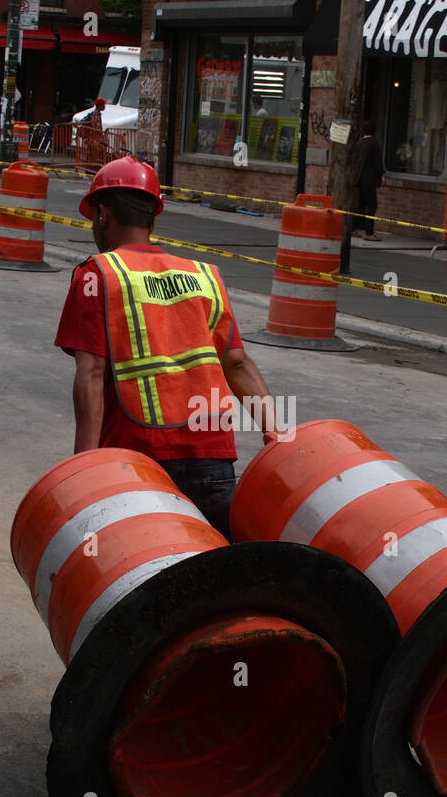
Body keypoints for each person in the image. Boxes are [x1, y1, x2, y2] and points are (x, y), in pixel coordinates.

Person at [55, 157, 283, 539]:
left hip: (137, 458)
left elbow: (92, 373)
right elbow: (238, 363)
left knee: (144, 570)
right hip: (211, 458)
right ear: (153, 220)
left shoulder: (99, 274)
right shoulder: (203, 275)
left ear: (102, 216)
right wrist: (276, 435)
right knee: (222, 574)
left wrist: (86, 466)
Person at [350, 120, 385, 240]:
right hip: (369, 179)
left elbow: (355, 160)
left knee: (361, 204)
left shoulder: (359, 143)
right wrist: (381, 175)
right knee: (372, 205)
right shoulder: (373, 143)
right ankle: (369, 232)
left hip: (359, 178)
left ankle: (353, 228)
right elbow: (377, 162)